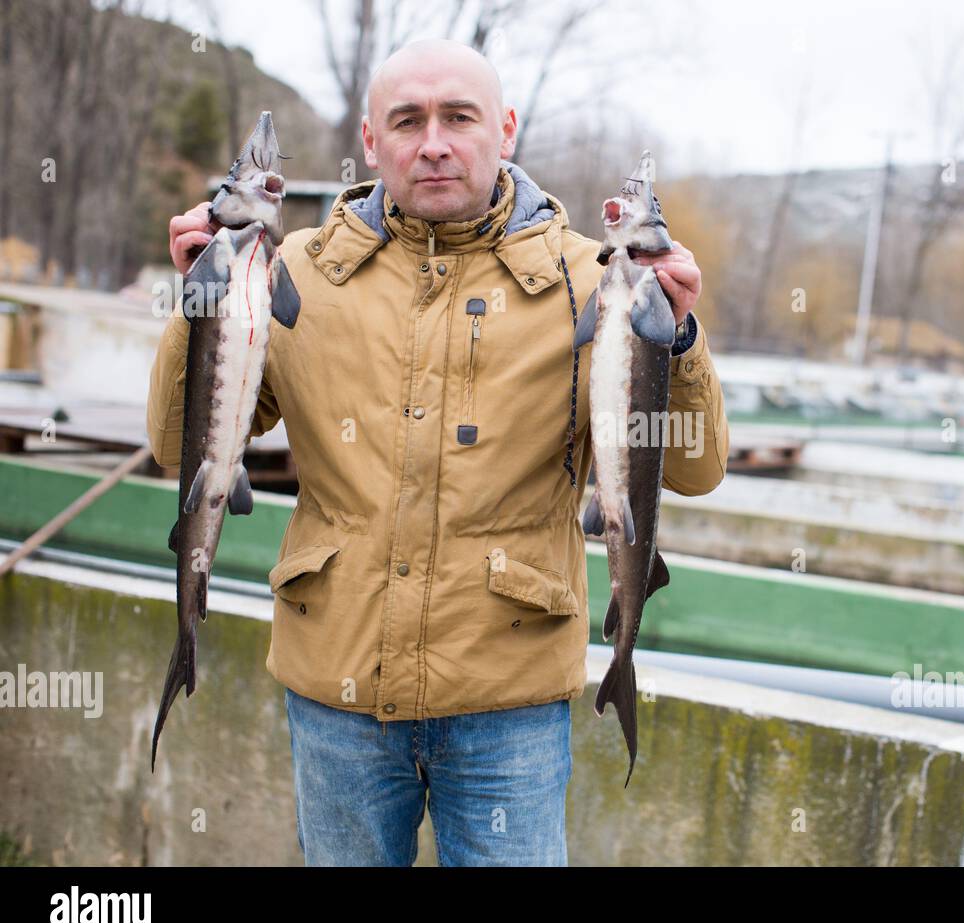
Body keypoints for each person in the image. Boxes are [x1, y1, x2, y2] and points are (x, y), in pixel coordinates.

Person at [146, 38, 729, 866]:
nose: (434, 143)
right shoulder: (295, 270)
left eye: (459, 117)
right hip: (336, 697)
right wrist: (195, 300)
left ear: (506, 128)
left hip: (509, 710)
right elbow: (178, 444)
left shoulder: (595, 278)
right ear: (372, 139)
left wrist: (678, 341)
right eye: (407, 121)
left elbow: (695, 470)